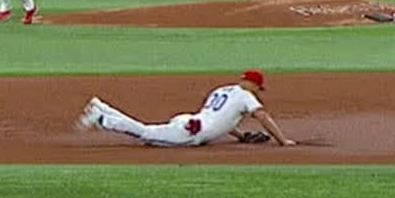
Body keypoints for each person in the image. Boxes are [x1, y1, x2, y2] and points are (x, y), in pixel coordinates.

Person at [78, 71, 296, 147]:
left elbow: (219, 118)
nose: (258, 90)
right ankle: (103, 119)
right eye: (258, 86)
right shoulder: (246, 96)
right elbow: (263, 117)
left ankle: (102, 107)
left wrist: (240, 136)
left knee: (148, 131)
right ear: (252, 83)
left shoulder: (222, 90)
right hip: (189, 132)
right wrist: (282, 141)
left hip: (190, 121)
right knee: (145, 133)